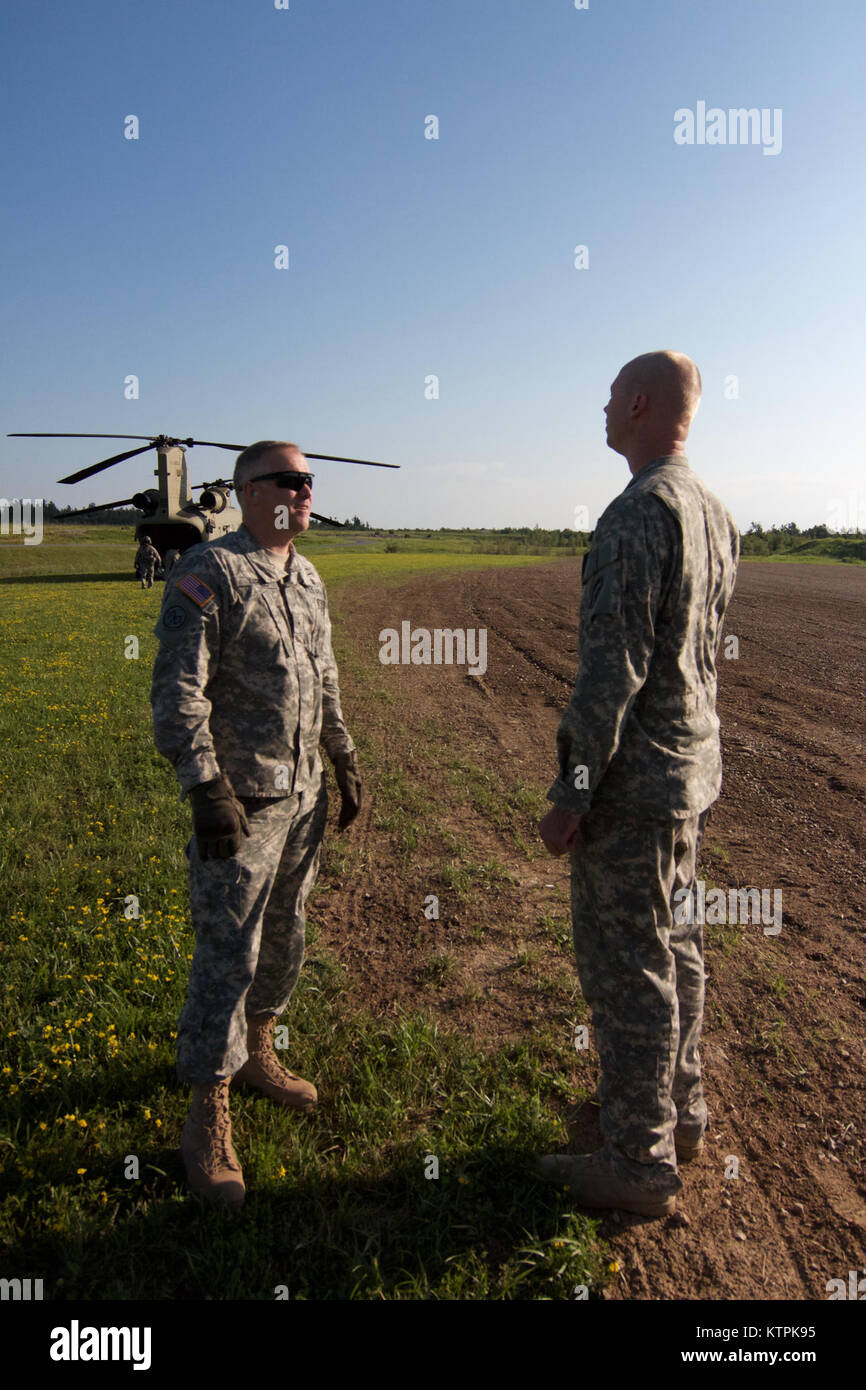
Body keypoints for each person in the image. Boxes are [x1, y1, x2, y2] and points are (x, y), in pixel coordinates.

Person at [537, 351, 740, 1219]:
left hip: (635, 789)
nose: (604, 406)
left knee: (631, 974)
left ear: (643, 403)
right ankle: (681, 1112)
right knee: (681, 951)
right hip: (691, 777)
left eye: (613, 395)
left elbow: (612, 670)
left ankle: (638, 1162)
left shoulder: (637, 513)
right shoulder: (715, 511)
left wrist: (573, 791)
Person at [150, 440, 362, 1205]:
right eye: (289, 480)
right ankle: (207, 1106)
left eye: (309, 481)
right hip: (240, 808)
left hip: (302, 799)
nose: (305, 491)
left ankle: (257, 1048)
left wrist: (342, 756)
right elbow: (178, 692)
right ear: (246, 492)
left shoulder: (306, 576)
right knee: (227, 950)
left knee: (285, 935)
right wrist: (204, 784)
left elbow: (325, 676)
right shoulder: (210, 573)